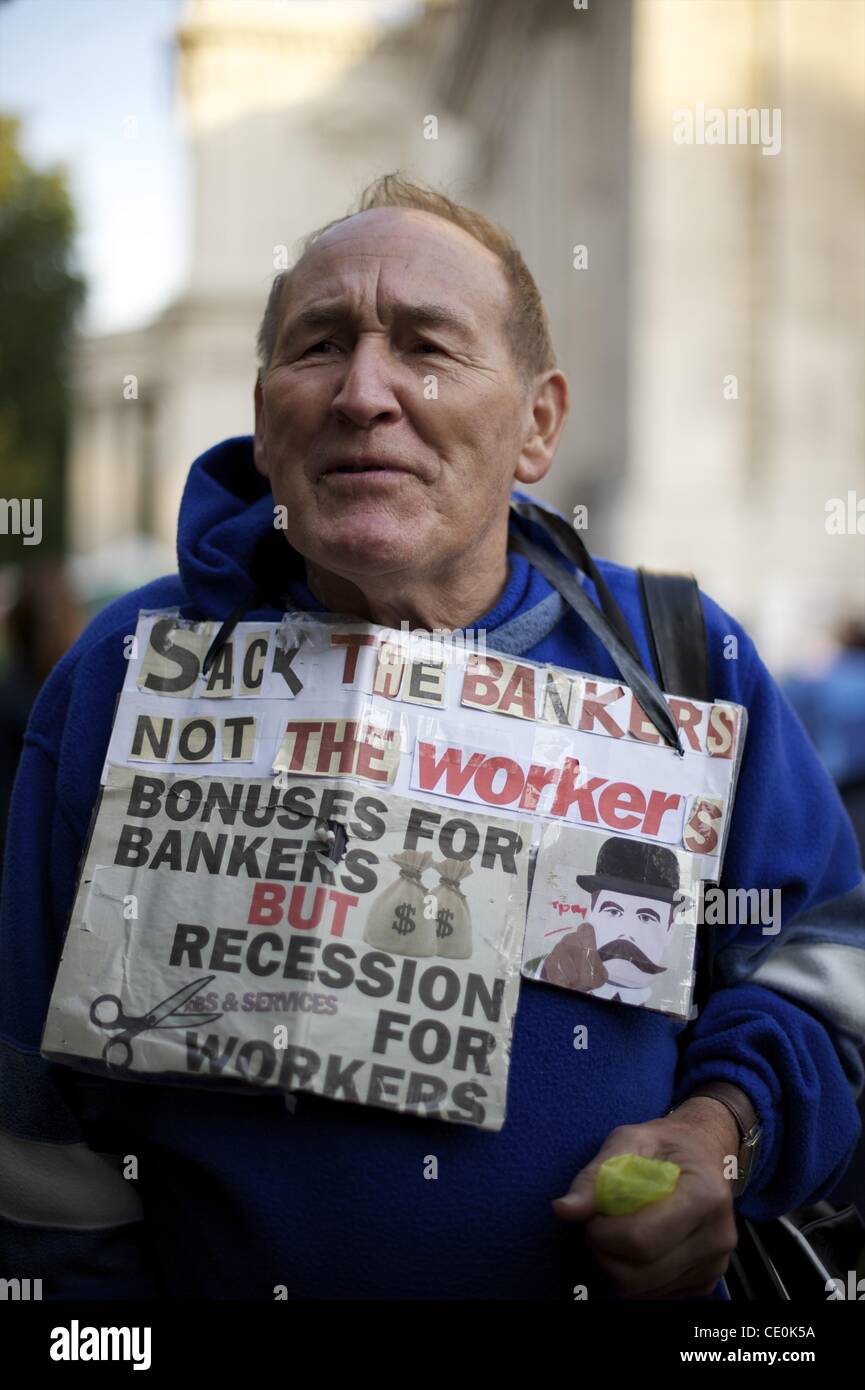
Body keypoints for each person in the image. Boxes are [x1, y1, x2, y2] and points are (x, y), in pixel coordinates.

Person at [1, 174, 863, 1302]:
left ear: (538, 423)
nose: (364, 393)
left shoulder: (682, 658)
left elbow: (827, 963)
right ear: (264, 416)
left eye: (426, 347)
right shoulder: (122, 674)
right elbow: (34, 1124)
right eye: (319, 346)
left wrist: (722, 1132)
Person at [531, 837, 688, 1006]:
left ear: (669, 930)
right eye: (613, 911)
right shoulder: (544, 970)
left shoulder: (675, 998)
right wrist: (546, 973)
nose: (626, 932)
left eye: (646, 918)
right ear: (591, 913)